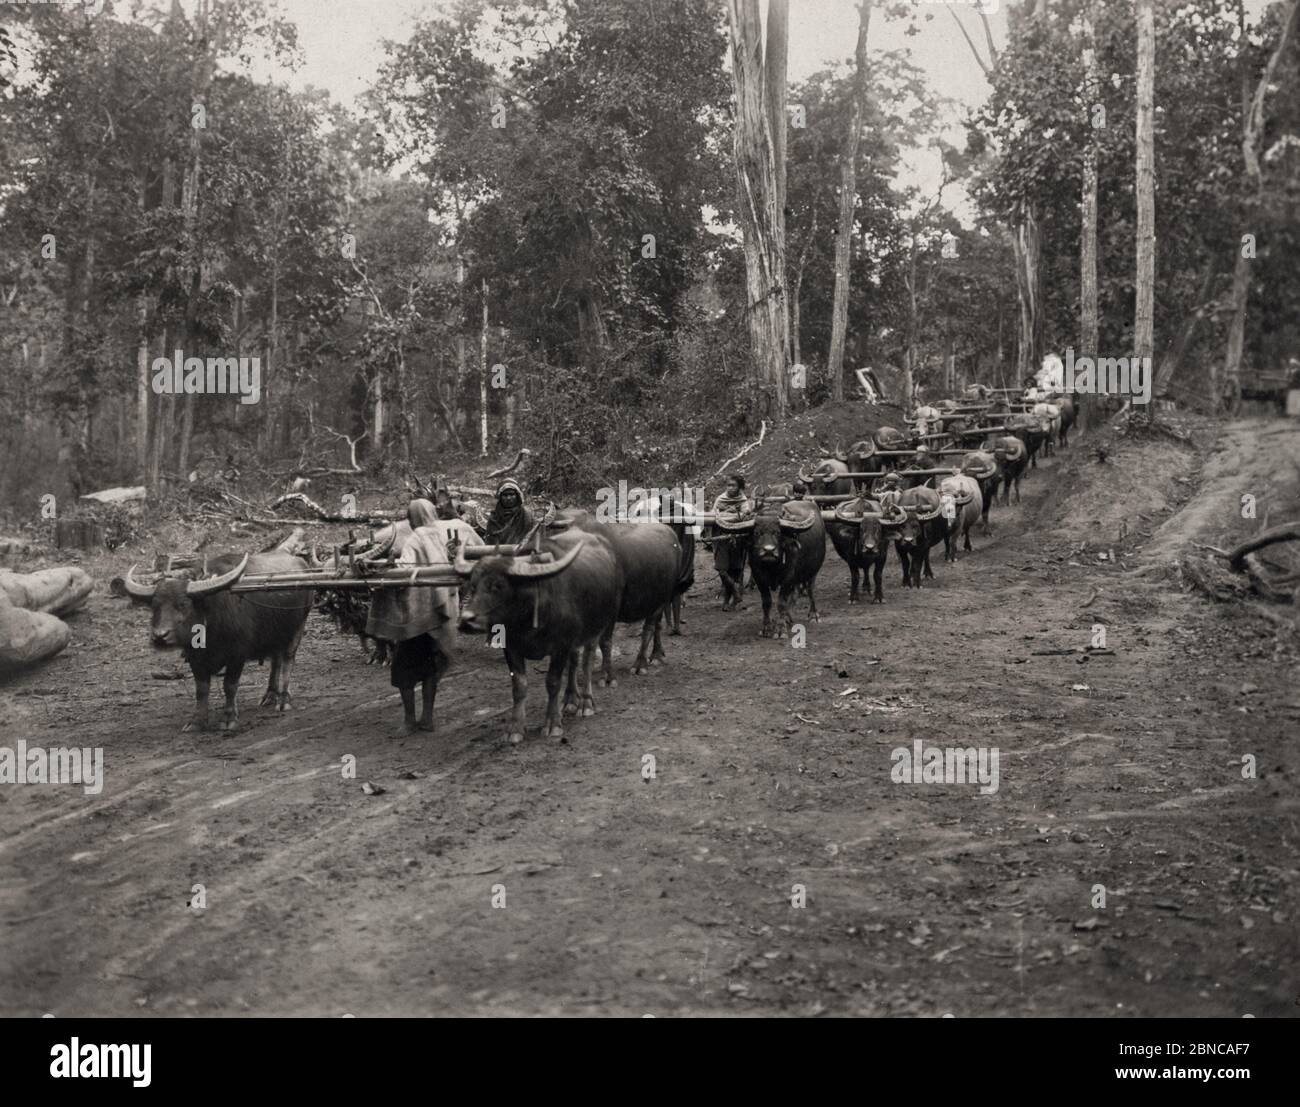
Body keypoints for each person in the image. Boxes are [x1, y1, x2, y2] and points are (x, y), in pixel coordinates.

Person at [365, 498, 481, 733]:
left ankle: (409, 721)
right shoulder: (448, 531)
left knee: (403, 671)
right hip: (443, 611)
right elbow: (473, 551)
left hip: (419, 614)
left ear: (412, 517)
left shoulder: (417, 537)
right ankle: (427, 718)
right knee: (430, 669)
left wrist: (383, 566)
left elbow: (405, 567)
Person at [481, 478, 533, 547]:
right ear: (500, 497)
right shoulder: (494, 518)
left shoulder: (525, 516)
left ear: (517, 496)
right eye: (505, 495)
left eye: (512, 495)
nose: (508, 498)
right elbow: (490, 543)